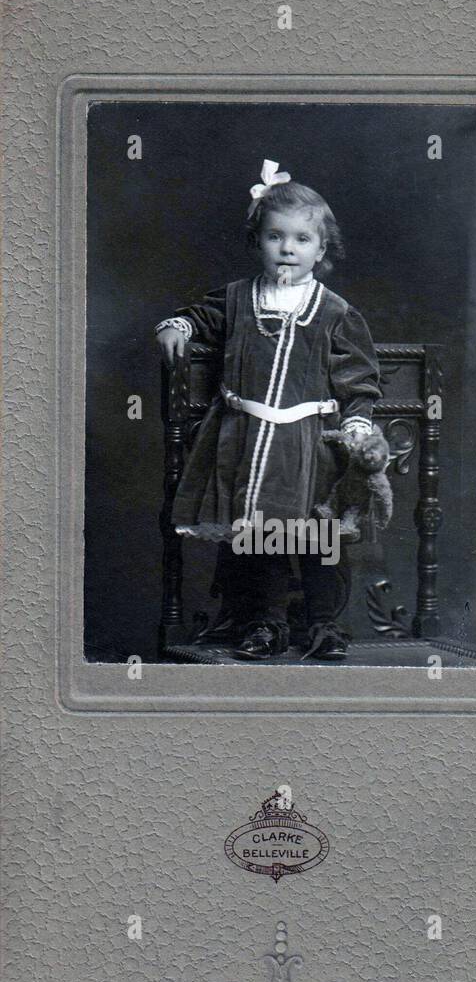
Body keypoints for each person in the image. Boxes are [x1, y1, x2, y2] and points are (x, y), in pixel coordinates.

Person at [155, 159, 382, 661]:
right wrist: (179, 327)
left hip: (309, 446)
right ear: (257, 240)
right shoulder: (237, 299)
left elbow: (359, 379)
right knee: (260, 539)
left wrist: (358, 423)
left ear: (322, 249)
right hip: (245, 440)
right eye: (276, 236)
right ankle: (267, 623)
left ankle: (325, 625)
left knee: (318, 538)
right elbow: (200, 316)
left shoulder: (334, 311)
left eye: (302, 239)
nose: (287, 248)